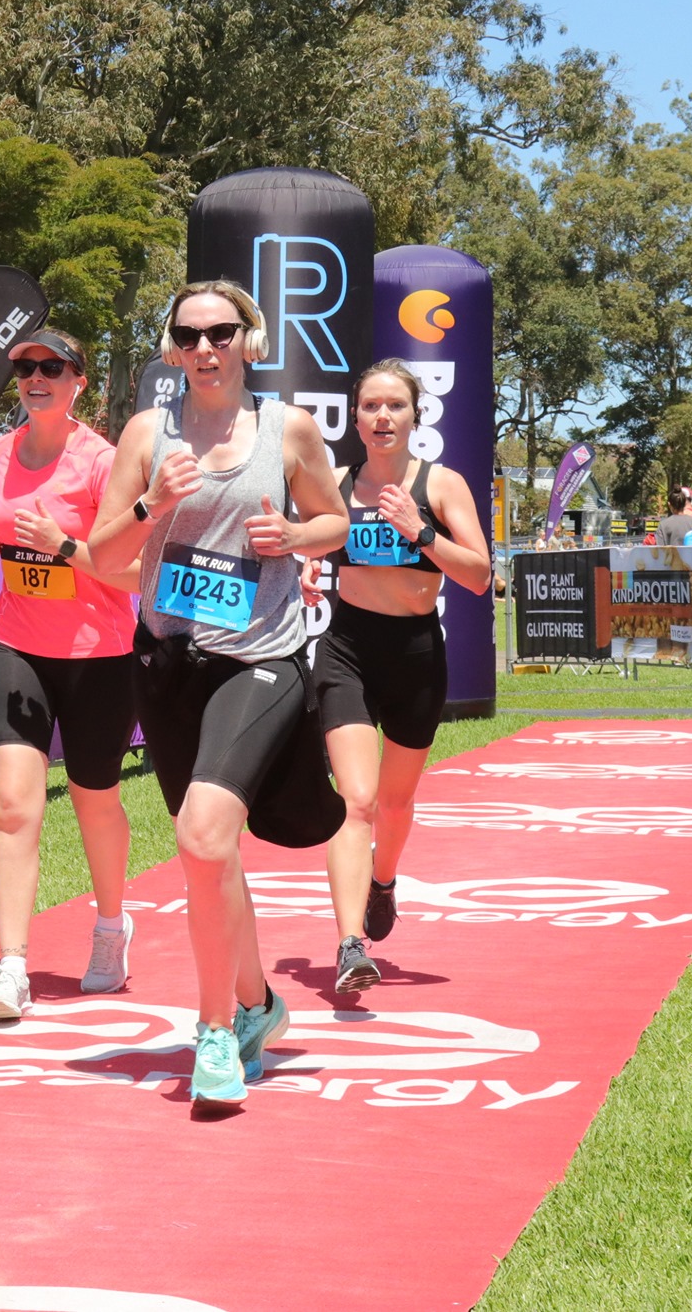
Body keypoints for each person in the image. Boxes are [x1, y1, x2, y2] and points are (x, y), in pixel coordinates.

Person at [88, 280, 349, 1107]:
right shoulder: (145, 433)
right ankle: (256, 1004)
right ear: (172, 345)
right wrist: (149, 500)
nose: (206, 347)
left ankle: (211, 1037)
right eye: (190, 333)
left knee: (203, 836)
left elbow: (335, 521)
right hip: (168, 662)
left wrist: (296, 537)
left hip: (263, 659)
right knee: (210, 851)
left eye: (222, 332)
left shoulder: (289, 430)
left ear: (250, 339)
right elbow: (100, 556)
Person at [300, 360, 492, 992]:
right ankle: (349, 943)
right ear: (354, 417)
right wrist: (305, 562)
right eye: (370, 407)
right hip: (347, 647)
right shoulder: (335, 481)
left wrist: (423, 532)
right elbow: (312, 540)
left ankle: (384, 880)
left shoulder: (442, 484)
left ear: (415, 416)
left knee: (394, 801)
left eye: (394, 407)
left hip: (414, 653)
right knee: (354, 801)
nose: (381, 417)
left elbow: (478, 575)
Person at [0, 327, 139, 1020]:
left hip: (98, 653)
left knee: (95, 796)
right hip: (15, 643)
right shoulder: (1, 452)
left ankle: (109, 926)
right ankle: (12, 966)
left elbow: (133, 570)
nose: (35, 377)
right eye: (25, 368)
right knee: (13, 806)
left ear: (79, 383)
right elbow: (11, 539)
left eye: (51, 368)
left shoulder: (102, 462)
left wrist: (66, 546)